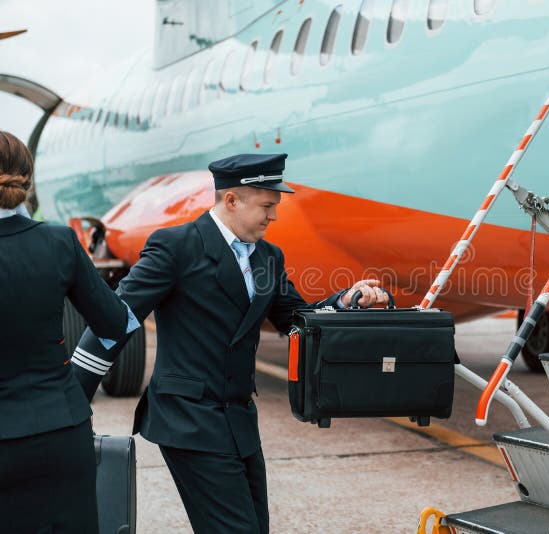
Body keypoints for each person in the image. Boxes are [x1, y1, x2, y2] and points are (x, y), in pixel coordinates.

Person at [72, 153, 387, 533]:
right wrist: (73, 399)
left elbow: (294, 320)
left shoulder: (268, 257)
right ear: (232, 200)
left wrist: (345, 300)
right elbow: (117, 320)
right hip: (188, 418)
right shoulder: (177, 246)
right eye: (267, 206)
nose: (273, 216)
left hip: (238, 419)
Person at [0, 131, 137, 533]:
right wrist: (69, 381)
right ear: (28, 179)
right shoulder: (59, 241)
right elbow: (116, 325)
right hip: (60, 431)